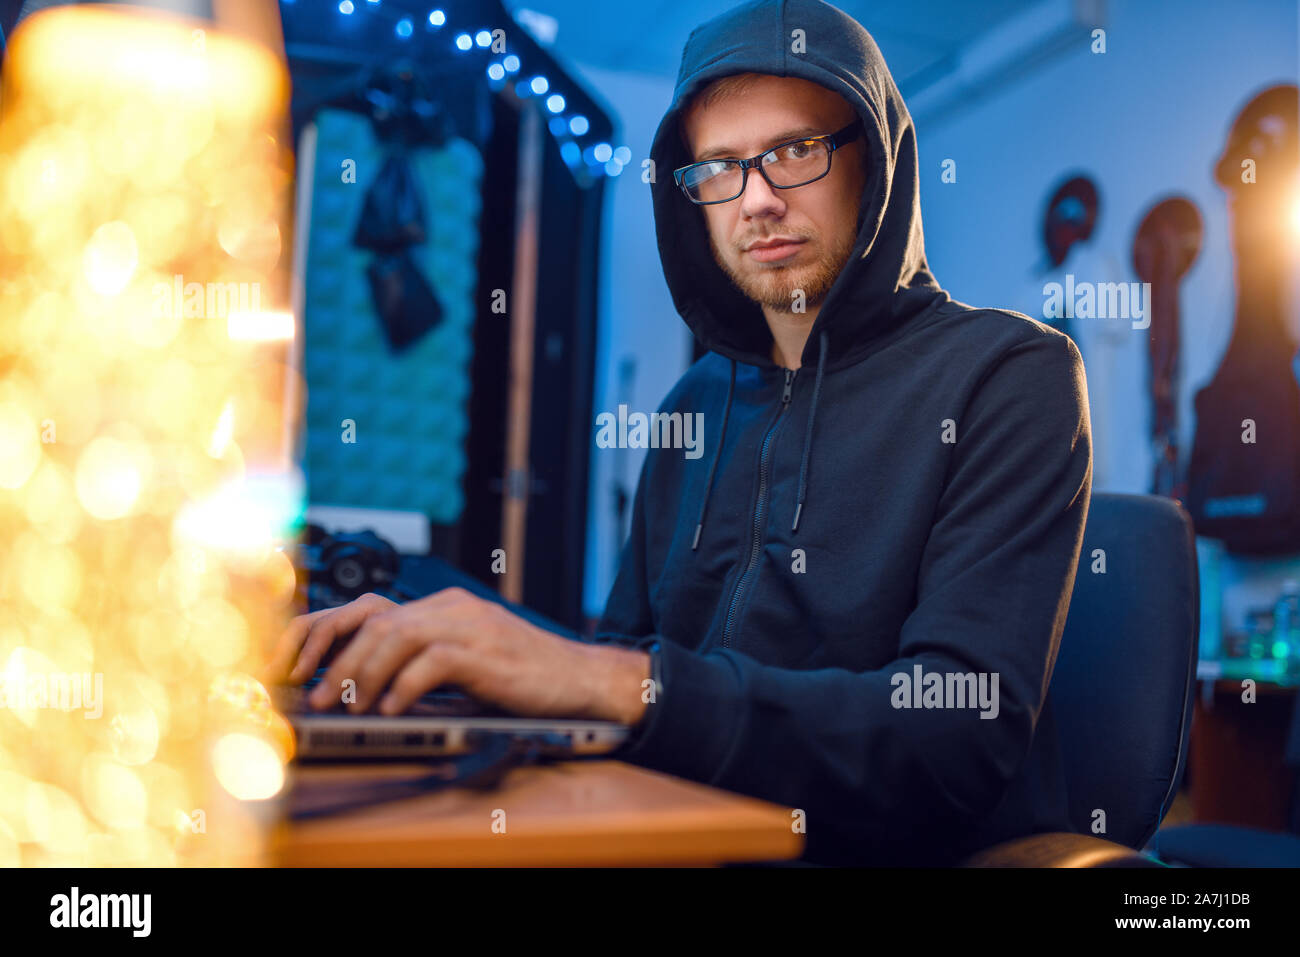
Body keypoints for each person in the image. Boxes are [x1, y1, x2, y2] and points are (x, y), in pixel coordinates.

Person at [271, 0, 1093, 866]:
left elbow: (953, 735)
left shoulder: (1012, 373)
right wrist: (457, 649)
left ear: (877, 158)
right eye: (719, 168)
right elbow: (623, 658)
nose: (760, 200)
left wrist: (610, 680)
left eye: (796, 152)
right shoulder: (694, 404)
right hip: (676, 830)